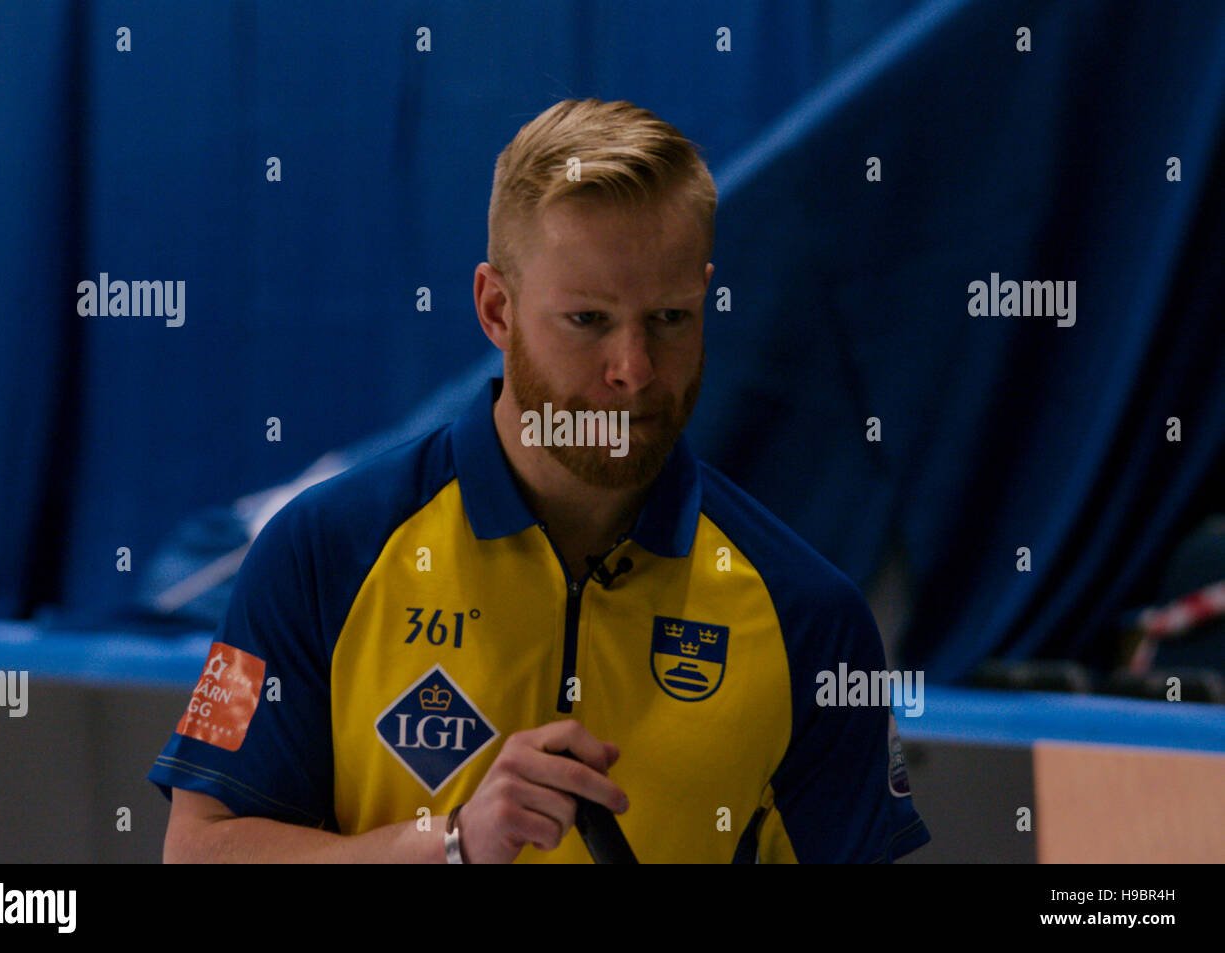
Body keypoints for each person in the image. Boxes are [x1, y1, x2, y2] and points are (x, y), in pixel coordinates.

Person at [149, 98, 931, 863]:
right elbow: (202, 849)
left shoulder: (809, 616)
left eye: (670, 318)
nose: (634, 370)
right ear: (497, 308)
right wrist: (451, 844)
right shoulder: (321, 553)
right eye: (588, 320)